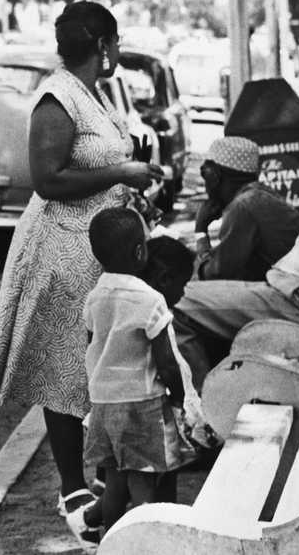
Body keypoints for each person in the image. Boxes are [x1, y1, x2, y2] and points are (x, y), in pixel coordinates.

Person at [0, 1, 164, 530]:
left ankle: (101, 473)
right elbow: (48, 178)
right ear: (102, 46)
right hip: (61, 246)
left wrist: (130, 185)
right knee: (62, 367)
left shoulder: (91, 94)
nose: (119, 51)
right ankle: (73, 487)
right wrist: (121, 171)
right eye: (117, 42)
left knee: (96, 361)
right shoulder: (58, 97)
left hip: (96, 243)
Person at [73, 208, 195, 539]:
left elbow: (92, 346)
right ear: (139, 251)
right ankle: (145, 543)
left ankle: (111, 541)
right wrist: (179, 397)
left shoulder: (95, 297)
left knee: (114, 484)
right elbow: (166, 363)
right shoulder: (150, 299)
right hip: (141, 404)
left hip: (103, 404)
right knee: (143, 485)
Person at [175, 179, 299, 388]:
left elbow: (215, 271)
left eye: (208, 170)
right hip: (293, 289)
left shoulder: (247, 203)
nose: (205, 177)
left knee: (177, 301)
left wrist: (201, 233)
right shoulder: (257, 198)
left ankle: (200, 409)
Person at [192, 136, 299, 282]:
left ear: (214, 176)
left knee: (189, 294)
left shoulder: (243, 206)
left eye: (204, 173)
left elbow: (213, 275)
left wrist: (200, 231)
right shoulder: (260, 195)